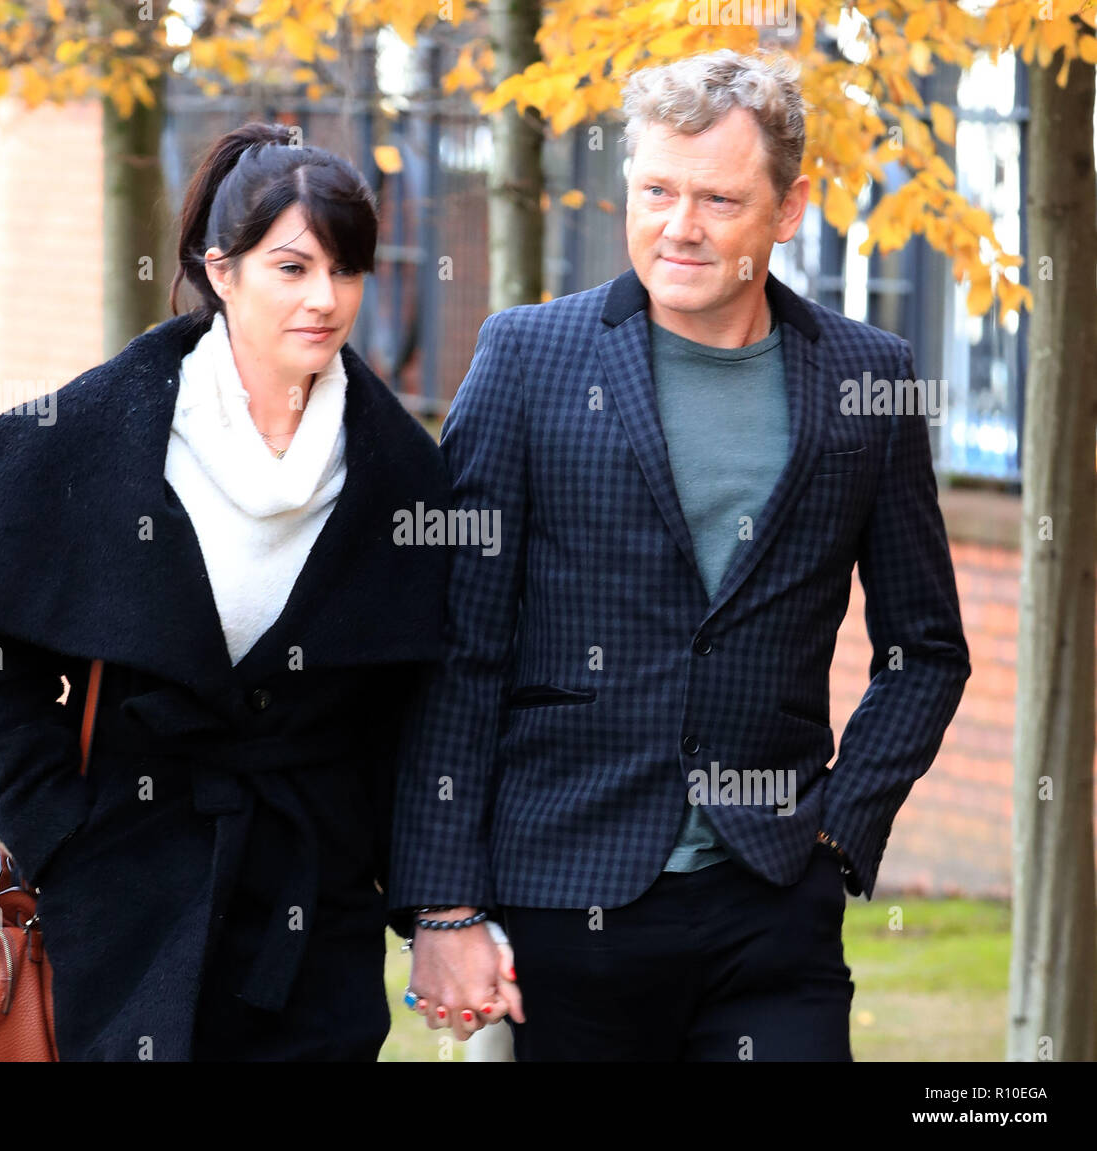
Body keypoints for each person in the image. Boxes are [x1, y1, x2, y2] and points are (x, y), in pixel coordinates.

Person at [390, 50, 971, 1060]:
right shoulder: (526, 358)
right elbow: (458, 648)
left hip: (771, 908)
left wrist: (836, 830)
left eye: (716, 197)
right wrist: (443, 903)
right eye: (655, 190)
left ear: (788, 209)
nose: (679, 226)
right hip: (564, 899)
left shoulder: (869, 380)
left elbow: (923, 648)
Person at [0, 123, 460, 1061]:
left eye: (346, 270)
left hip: (310, 903)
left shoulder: (403, 473)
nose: (324, 300)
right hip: (120, 887)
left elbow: (416, 709)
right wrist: (61, 836)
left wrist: (388, 880)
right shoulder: (87, 436)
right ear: (223, 270)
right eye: (291, 268)